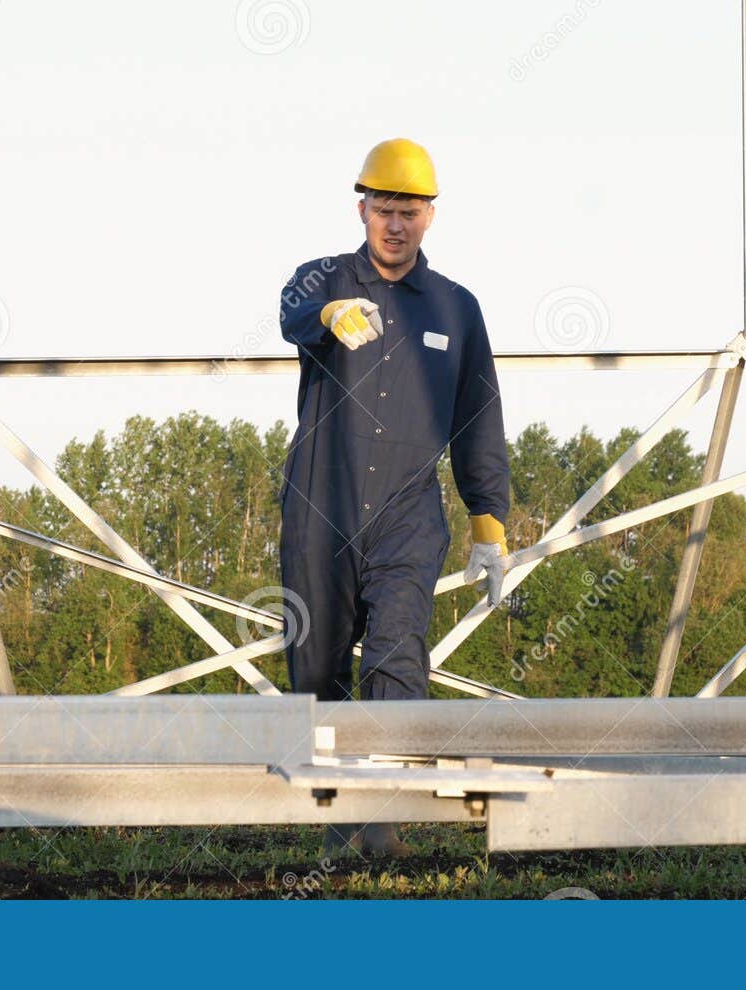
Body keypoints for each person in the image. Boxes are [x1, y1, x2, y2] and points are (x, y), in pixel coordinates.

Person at [277, 138, 512, 856]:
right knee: (316, 672)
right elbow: (291, 310)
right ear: (362, 208)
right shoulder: (321, 277)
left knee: (397, 662)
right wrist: (325, 317)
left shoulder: (456, 308)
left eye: (408, 211)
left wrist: (489, 523)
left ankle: (379, 829)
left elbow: (480, 417)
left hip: (408, 517)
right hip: (321, 507)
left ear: (430, 216)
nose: (395, 225)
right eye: (383, 210)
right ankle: (335, 831)